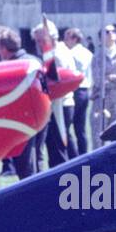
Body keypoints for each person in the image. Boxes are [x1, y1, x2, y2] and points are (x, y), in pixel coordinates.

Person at [0, 26, 43, 179]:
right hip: (41, 117)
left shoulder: (11, 67)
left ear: (4, 48)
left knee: (23, 164)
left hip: (23, 120)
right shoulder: (35, 60)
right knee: (37, 160)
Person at [31, 18, 72, 169]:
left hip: (59, 105)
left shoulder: (57, 55)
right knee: (56, 147)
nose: (39, 44)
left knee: (57, 148)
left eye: (41, 40)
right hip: (59, 105)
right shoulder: (59, 51)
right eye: (37, 41)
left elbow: (56, 83)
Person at [64, 27, 93, 154]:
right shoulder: (88, 53)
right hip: (85, 90)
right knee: (80, 128)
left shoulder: (70, 54)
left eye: (66, 38)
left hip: (75, 90)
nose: (64, 41)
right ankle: (83, 154)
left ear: (74, 39)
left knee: (67, 126)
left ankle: (73, 155)